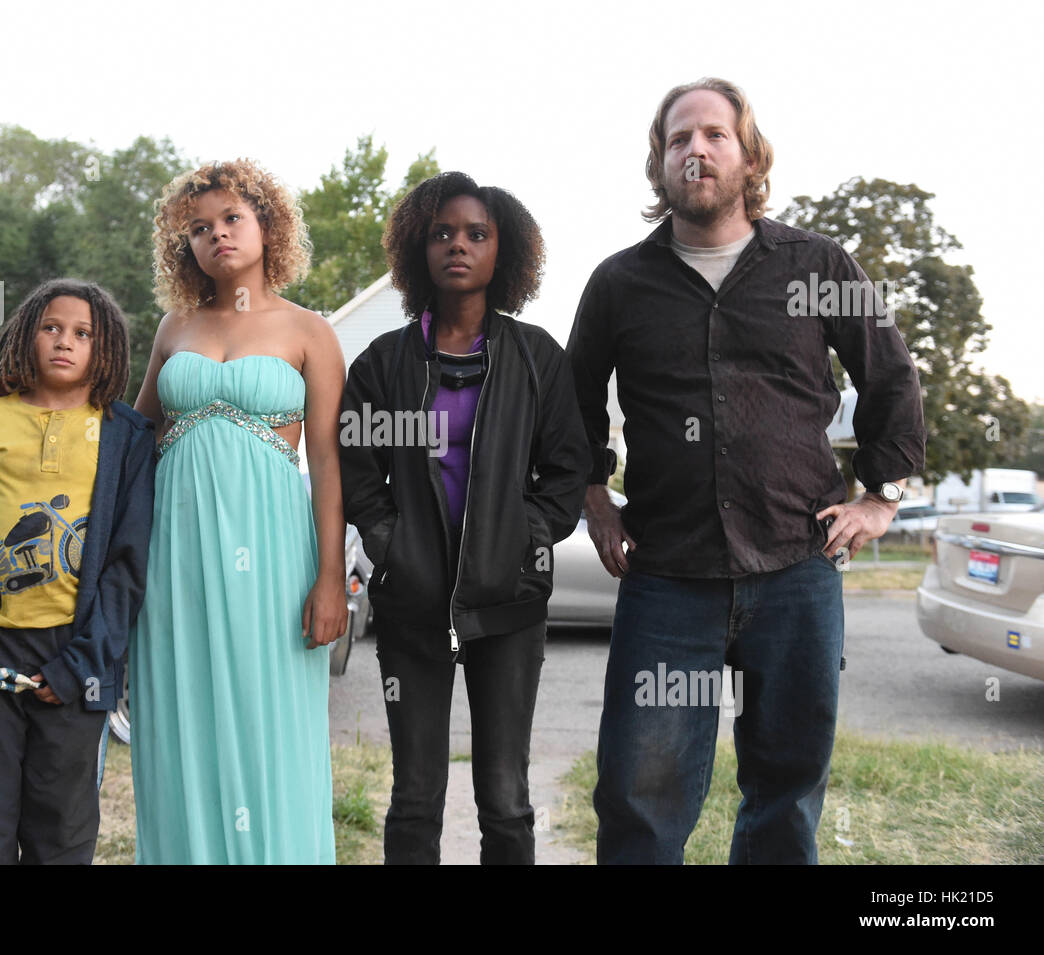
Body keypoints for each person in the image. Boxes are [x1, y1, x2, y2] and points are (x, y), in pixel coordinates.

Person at [567, 78, 926, 864]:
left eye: (713, 135)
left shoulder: (817, 263)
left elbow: (891, 375)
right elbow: (574, 402)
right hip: (667, 577)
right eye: (676, 139)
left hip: (798, 567)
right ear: (659, 165)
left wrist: (882, 499)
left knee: (786, 795)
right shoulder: (619, 284)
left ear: (748, 153)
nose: (694, 148)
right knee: (639, 799)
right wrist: (594, 492)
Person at [340, 171, 589, 864]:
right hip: (411, 603)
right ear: (418, 250)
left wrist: (524, 537)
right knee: (414, 797)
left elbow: (569, 470)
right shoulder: (386, 363)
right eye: (442, 233)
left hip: (508, 604)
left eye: (477, 234)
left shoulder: (535, 357)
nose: (459, 245)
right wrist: (392, 546)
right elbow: (359, 474)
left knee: (506, 800)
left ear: (502, 253)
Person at [130, 158, 347, 864]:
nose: (217, 235)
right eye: (199, 228)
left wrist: (329, 578)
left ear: (267, 225)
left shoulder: (309, 330)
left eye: (232, 218)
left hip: (274, 556)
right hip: (177, 554)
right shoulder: (173, 328)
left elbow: (326, 462)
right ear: (182, 246)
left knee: (267, 719)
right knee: (184, 717)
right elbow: (130, 443)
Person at [0, 278, 156, 864]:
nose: (64, 342)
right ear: (26, 334)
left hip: (72, 661)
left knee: (61, 836)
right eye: (51, 327)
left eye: (83, 333)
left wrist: (82, 665)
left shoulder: (127, 438)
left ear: (106, 348)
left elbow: (127, 567)